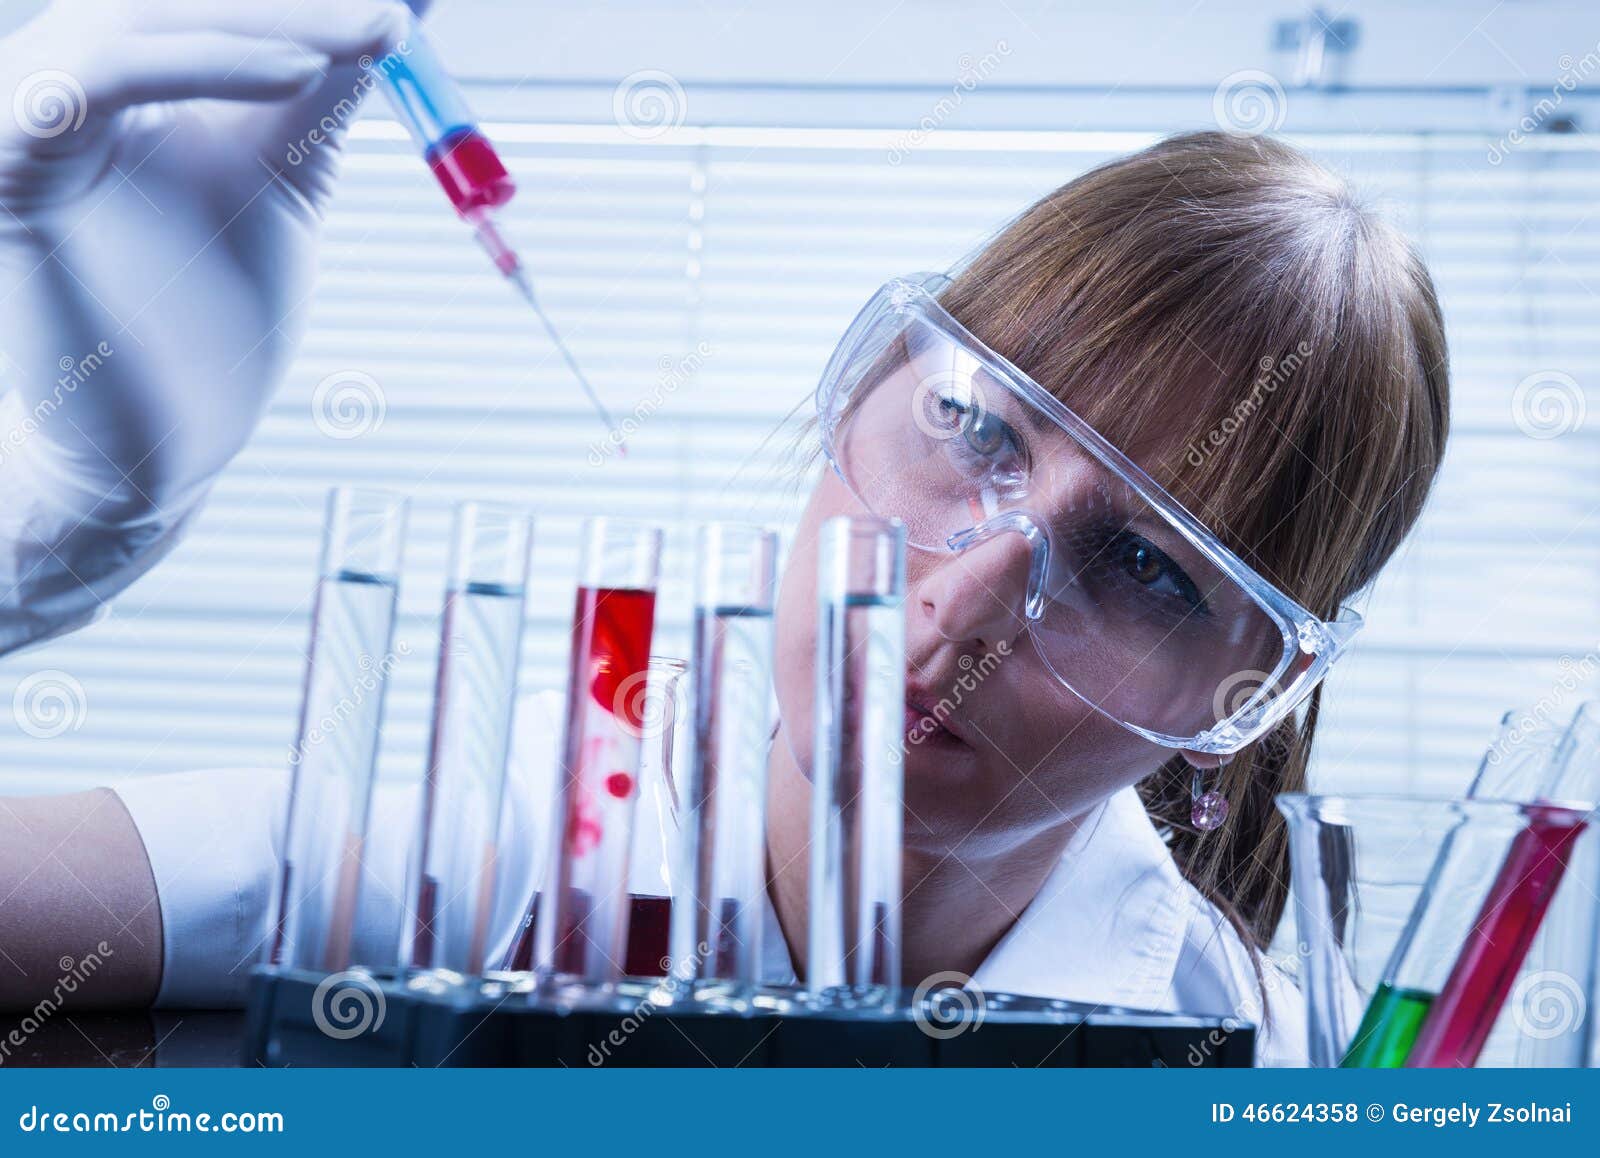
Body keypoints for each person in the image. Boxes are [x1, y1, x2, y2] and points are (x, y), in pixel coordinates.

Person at [0, 2, 1450, 1066]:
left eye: (1146, 563)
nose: (965, 599)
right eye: (981, 431)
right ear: (872, 389)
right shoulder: (504, 856)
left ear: (1244, 696)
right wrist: (56, 532)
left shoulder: (1248, 1055)